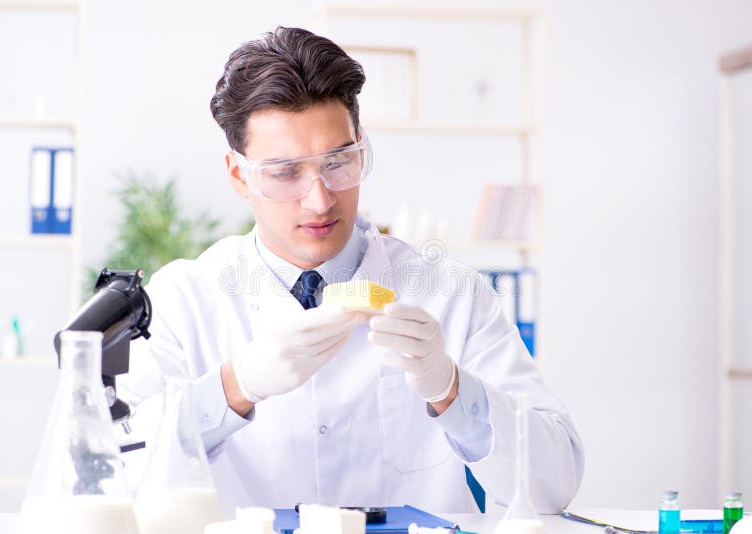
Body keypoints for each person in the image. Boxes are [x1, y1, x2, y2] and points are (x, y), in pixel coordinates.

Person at [121, 26, 583, 515]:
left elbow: (556, 483)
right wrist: (236, 386)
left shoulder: (450, 292)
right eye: (285, 172)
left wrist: (450, 388)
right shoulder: (182, 298)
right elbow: (121, 477)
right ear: (240, 175)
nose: (320, 199)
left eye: (339, 162)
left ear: (361, 148)